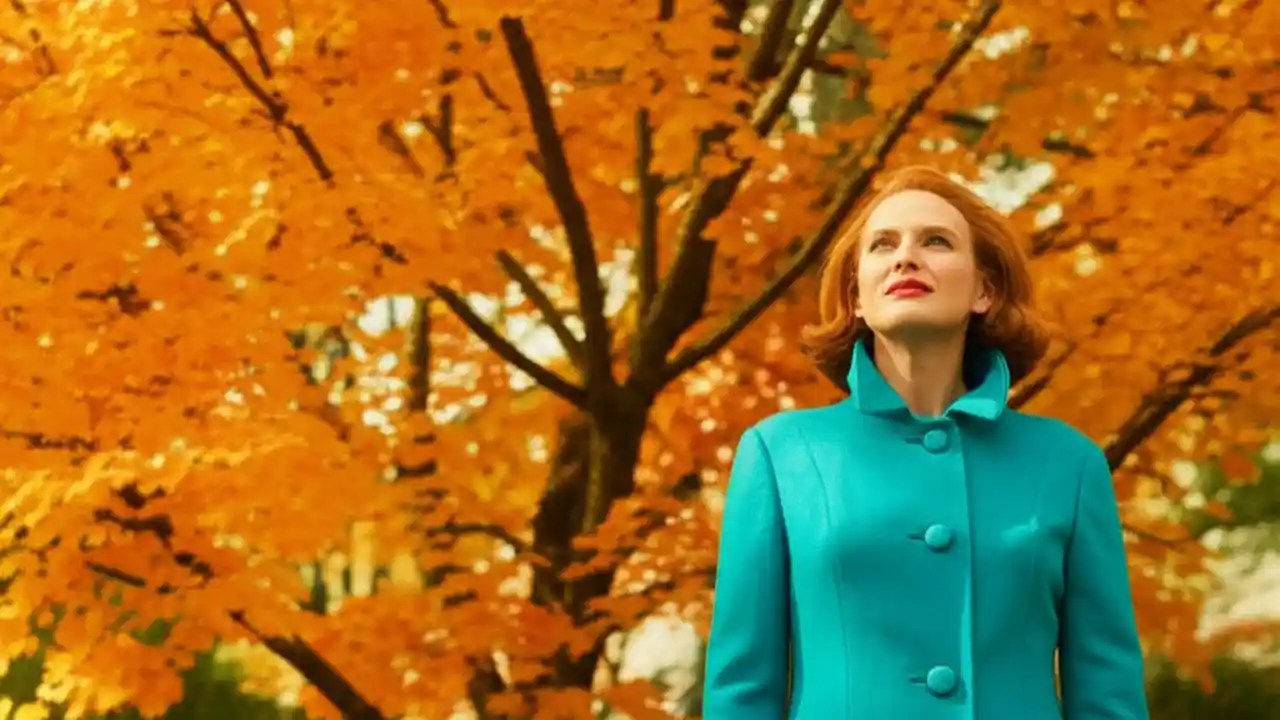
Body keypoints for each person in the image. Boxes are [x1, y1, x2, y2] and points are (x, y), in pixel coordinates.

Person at [701, 165, 1149, 719]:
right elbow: (741, 691)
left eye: (936, 241)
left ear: (984, 290)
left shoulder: (1068, 463)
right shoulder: (781, 455)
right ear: (858, 298)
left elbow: (1108, 692)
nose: (905, 257)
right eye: (882, 245)